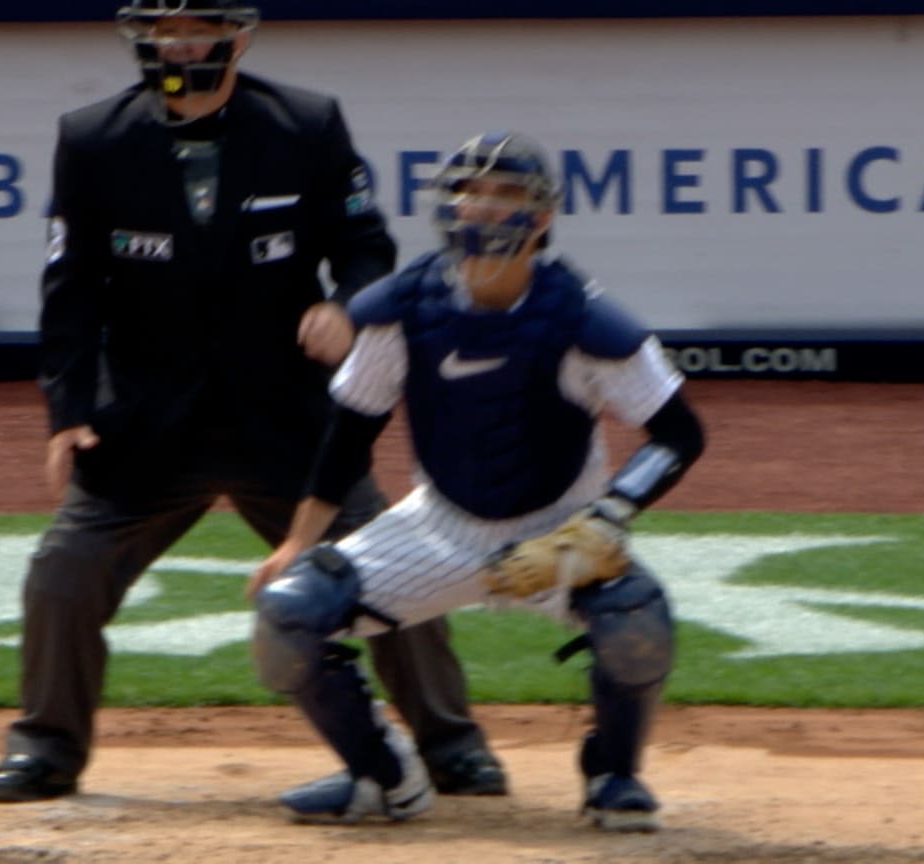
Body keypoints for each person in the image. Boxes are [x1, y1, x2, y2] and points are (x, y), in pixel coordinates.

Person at [0, 0, 504, 806]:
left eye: (196, 26)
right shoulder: (92, 138)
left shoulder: (304, 124)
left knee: (397, 566)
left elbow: (367, 247)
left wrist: (349, 309)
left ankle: (451, 742)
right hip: (145, 427)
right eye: (164, 27)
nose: (178, 42)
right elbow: (72, 292)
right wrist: (68, 414)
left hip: (287, 424)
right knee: (61, 575)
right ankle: (45, 747)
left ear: (237, 35)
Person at [246, 131, 706, 829]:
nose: (484, 208)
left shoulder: (580, 316)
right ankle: (382, 776)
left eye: (506, 194)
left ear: (542, 216)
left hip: (563, 530)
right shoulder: (405, 307)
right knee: (287, 613)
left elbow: (680, 434)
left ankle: (614, 776)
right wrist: (296, 542)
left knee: (637, 621)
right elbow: (350, 434)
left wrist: (608, 517)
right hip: (437, 528)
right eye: (469, 192)